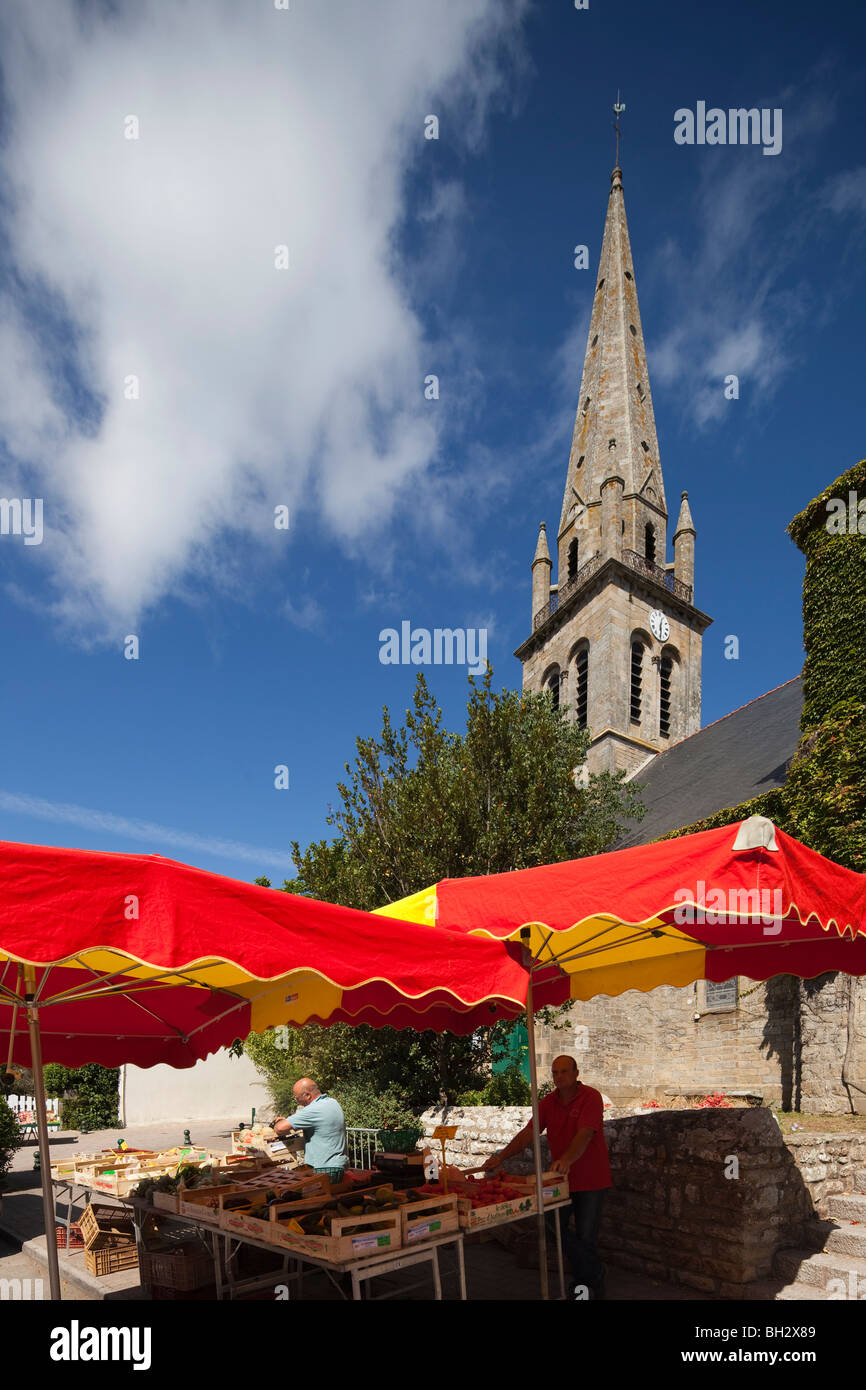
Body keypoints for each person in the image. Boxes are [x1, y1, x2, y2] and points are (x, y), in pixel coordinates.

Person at [483, 1055, 611, 1299]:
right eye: (554, 1072)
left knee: (586, 1236)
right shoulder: (548, 1102)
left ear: (576, 1073)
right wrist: (501, 1157)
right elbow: (529, 1133)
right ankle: (595, 1272)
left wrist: (568, 1159)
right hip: (559, 1180)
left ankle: (583, 1287)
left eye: (564, 1071)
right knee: (553, 1229)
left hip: (591, 1179)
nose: (558, 1076)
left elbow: (585, 1134)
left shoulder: (591, 1097)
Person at [273, 1077, 348, 1183]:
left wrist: (278, 1123)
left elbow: (280, 1128)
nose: (297, 1101)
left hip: (323, 1169)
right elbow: (316, 1120)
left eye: (297, 1098)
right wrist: (290, 1120)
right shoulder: (332, 1102)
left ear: (307, 1095)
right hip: (339, 1166)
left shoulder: (313, 1110)